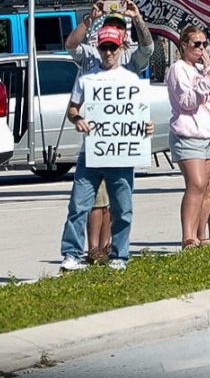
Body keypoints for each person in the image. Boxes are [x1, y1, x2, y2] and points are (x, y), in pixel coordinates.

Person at [60, 22, 151, 270]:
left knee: (123, 208)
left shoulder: (131, 79)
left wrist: (146, 128)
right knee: (79, 205)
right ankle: (71, 254)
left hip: (120, 154)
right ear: (98, 48)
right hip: (90, 152)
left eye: (112, 47)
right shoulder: (87, 78)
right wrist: (78, 119)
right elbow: (72, 108)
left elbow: (139, 117)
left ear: (121, 47)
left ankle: (119, 255)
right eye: (103, 47)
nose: (108, 52)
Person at [166, 25, 210, 247]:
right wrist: (206, 80)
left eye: (204, 44)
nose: (201, 49)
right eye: (196, 44)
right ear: (184, 45)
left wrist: (209, 72)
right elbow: (187, 103)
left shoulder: (202, 70)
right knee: (196, 184)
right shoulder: (178, 69)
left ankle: (201, 235)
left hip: (209, 134)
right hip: (188, 134)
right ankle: (188, 236)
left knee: (208, 187)